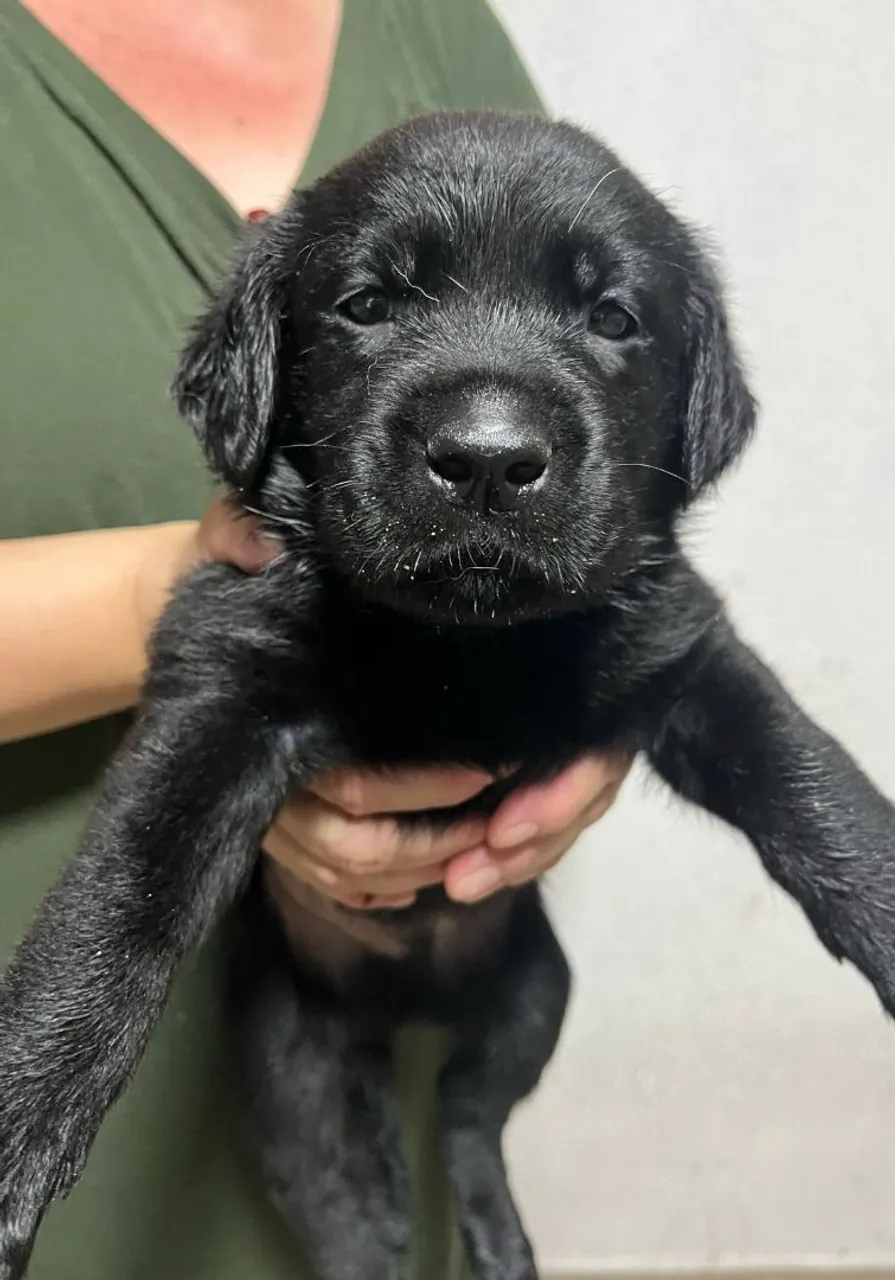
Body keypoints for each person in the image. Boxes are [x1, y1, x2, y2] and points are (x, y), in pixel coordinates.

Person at [0, 0, 629, 1275]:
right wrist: (198, 615)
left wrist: (581, 693)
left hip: (363, 1131)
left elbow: (584, 439)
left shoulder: (437, 28)